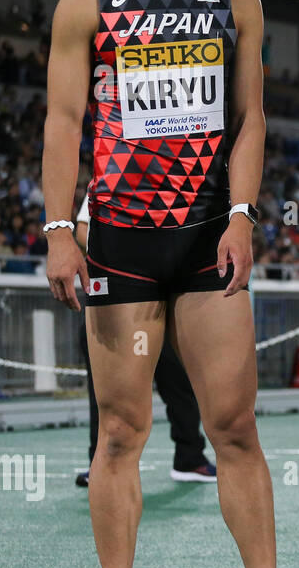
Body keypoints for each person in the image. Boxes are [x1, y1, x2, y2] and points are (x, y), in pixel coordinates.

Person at [41, 0, 299, 568]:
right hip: (120, 241)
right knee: (121, 431)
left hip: (206, 238)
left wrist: (242, 213)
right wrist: (61, 229)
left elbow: (250, 118)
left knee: (234, 425)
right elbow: (64, 120)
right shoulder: (85, 1)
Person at [71, 193, 217, 487]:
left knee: (177, 379)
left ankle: (190, 458)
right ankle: (99, 463)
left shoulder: (176, 181)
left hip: (160, 299)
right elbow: (82, 229)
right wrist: (120, 258)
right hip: (117, 296)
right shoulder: (108, 173)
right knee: (106, 392)